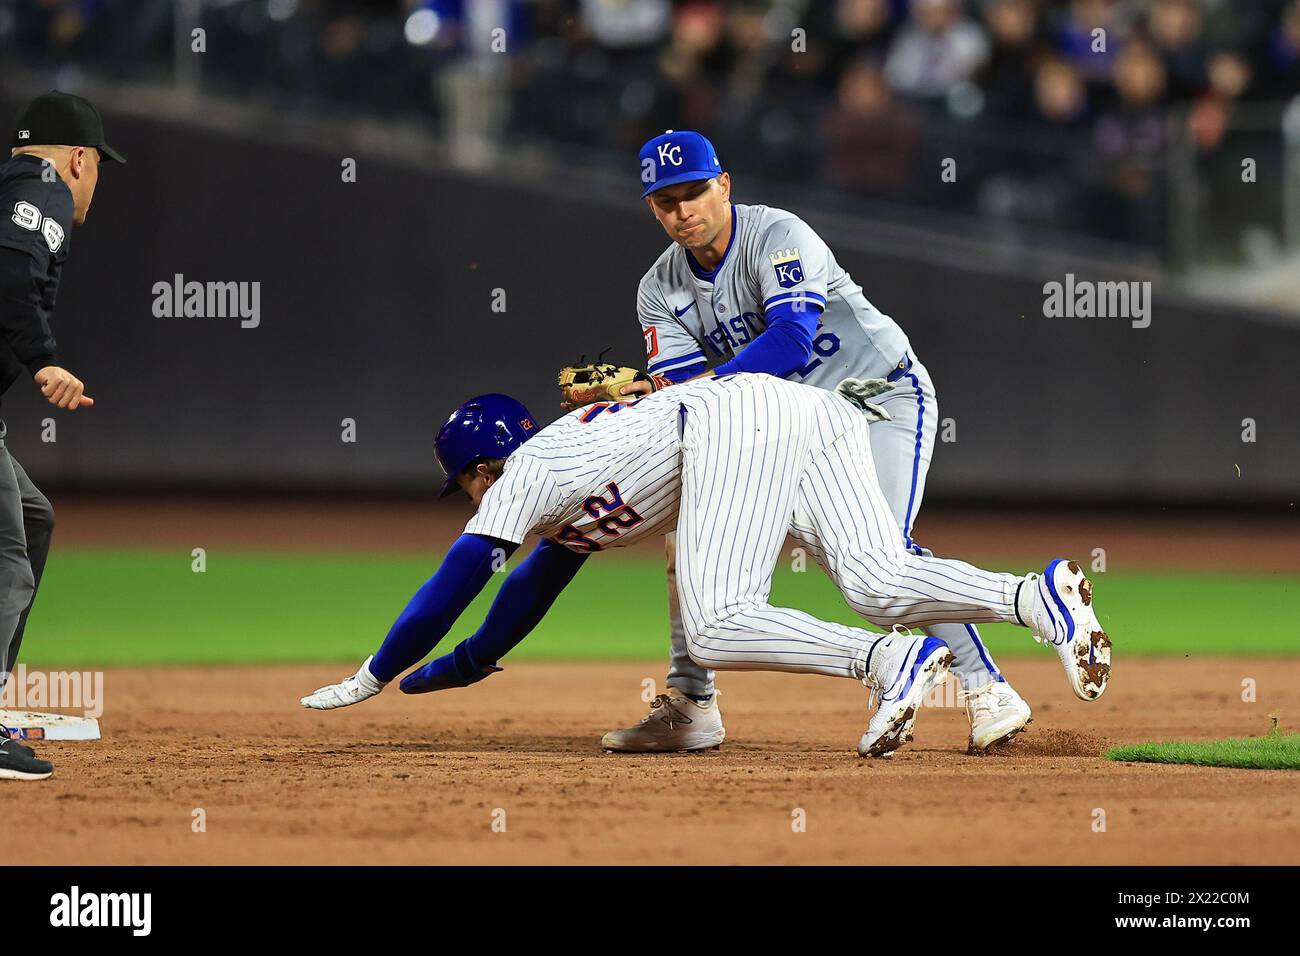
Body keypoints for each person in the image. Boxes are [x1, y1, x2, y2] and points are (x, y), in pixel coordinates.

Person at [300, 376, 1111, 759]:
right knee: (875, 578)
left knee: (718, 622)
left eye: (469, 479)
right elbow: (537, 580)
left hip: (734, 422)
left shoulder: (527, 475)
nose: (473, 497)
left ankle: (890, 660)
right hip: (804, 409)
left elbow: (457, 582)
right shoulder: (565, 476)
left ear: (486, 465)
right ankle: (1037, 598)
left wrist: (376, 671)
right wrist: (472, 661)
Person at [600, 129, 1030, 754]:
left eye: (694, 192)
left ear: (724, 185)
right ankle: (691, 703)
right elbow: (691, 396)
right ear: (650, 208)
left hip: (877, 399)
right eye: (666, 202)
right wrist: (654, 397)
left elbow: (791, 341)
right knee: (687, 545)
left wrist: (695, 389)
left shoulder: (780, 237)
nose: (683, 211)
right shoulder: (659, 289)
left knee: (880, 561)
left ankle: (988, 689)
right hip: (782, 425)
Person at [0, 91, 123, 782]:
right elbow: (11, 277)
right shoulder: (42, 188)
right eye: (100, 164)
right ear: (80, 157)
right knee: (6, 559)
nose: (97, 179)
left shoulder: (13, 186)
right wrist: (44, 358)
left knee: (31, 518)